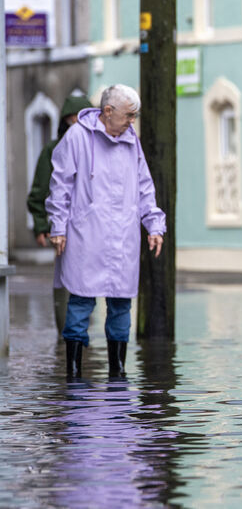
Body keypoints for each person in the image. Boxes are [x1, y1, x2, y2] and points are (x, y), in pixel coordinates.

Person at [46, 84, 166, 380]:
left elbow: (144, 186)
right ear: (107, 111)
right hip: (86, 234)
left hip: (122, 236)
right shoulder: (77, 137)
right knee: (81, 300)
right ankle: (73, 372)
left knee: (121, 302)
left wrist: (154, 225)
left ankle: (118, 371)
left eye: (135, 116)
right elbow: (60, 184)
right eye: (128, 115)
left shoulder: (130, 141)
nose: (132, 121)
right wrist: (58, 226)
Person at [26, 93, 94, 332]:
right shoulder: (54, 149)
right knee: (66, 281)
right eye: (71, 118)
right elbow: (40, 190)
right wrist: (42, 225)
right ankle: (69, 339)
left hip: (97, 227)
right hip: (66, 227)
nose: (76, 123)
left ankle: (84, 337)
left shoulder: (102, 147)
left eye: (81, 117)